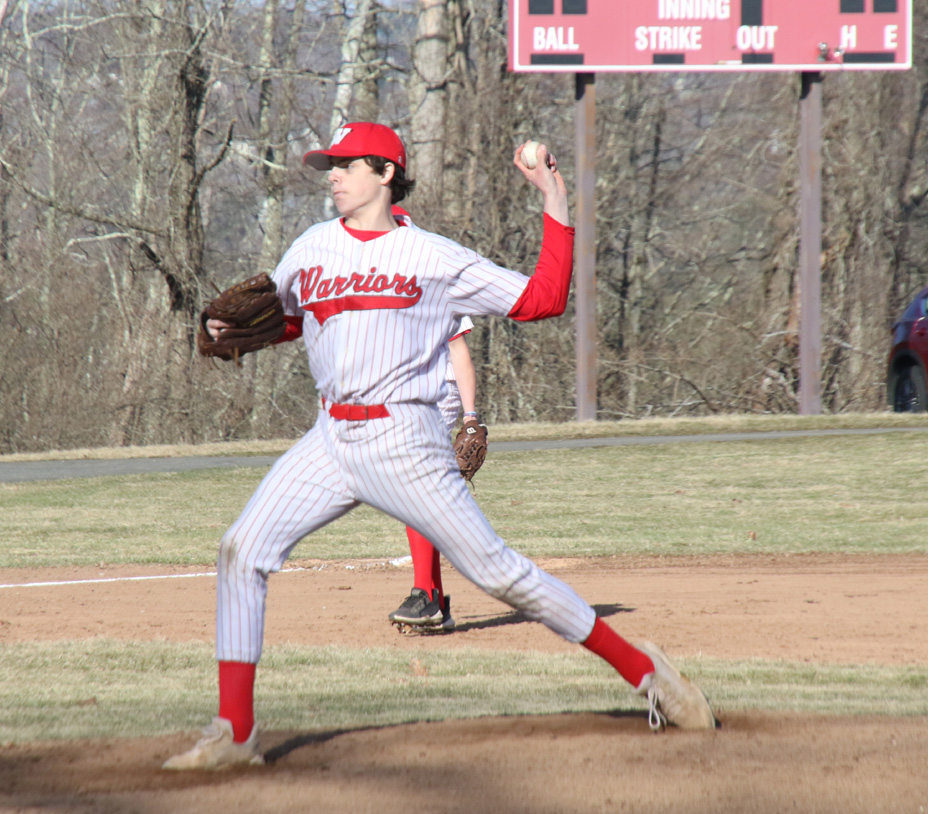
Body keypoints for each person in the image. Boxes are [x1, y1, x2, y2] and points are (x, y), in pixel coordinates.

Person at [164, 121, 715, 770]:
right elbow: (287, 318)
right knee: (241, 549)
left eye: (346, 165)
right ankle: (235, 733)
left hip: (407, 441)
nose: (333, 175)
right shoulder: (311, 248)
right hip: (330, 439)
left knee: (503, 576)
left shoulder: (434, 258)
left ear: (386, 173)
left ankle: (646, 671)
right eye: (330, 165)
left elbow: (543, 300)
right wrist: (232, 328)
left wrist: (554, 200)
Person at [388, 308, 478, 633]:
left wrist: (470, 417)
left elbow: (459, 352)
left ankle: (425, 594)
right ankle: (434, 601)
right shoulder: (386, 286)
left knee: (416, 489)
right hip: (410, 394)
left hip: (441, 390)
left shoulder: (435, 283)